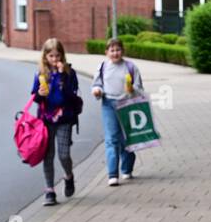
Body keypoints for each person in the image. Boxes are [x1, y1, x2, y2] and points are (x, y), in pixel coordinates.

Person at [31, 37, 80, 206]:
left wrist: (61, 76)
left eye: (57, 56)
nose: (55, 60)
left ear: (62, 56)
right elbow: (35, 98)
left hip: (64, 118)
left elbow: (71, 95)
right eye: (51, 56)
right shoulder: (40, 74)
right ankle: (49, 190)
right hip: (46, 120)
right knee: (48, 155)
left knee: (64, 154)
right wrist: (39, 94)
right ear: (45, 57)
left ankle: (68, 176)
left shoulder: (69, 73)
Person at [92, 37, 144, 185]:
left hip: (127, 104)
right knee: (111, 139)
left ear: (123, 51)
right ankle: (112, 174)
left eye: (118, 50)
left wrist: (132, 89)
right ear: (106, 52)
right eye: (112, 50)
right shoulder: (102, 67)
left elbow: (140, 89)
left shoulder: (130, 67)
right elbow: (97, 84)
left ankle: (127, 168)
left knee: (126, 139)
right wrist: (97, 91)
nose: (115, 53)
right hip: (108, 104)